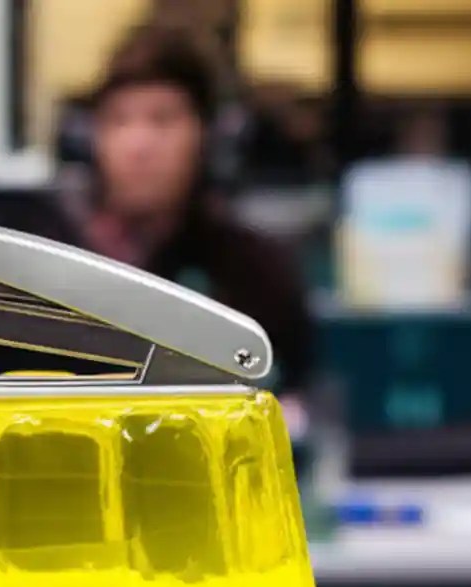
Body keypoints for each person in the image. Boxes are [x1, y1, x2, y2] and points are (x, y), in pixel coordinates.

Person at [62, 23, 315, 391]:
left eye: (162, 120)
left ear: (210, 140)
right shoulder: (57, 263)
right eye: (119, 121)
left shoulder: (257, 273)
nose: (138, 144)